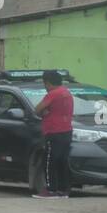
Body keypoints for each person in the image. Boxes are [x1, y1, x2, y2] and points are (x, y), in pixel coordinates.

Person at [35, 69, 74, 199]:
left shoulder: (53, 94)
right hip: (67, 131)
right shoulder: (67, 93)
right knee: (62, 161)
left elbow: (37, 109)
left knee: (49, 161)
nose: (45, 87)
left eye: (44, 84)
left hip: (53, 132)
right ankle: (63, 190)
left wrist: (43, 112)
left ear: (47, 82)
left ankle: (51, 190)